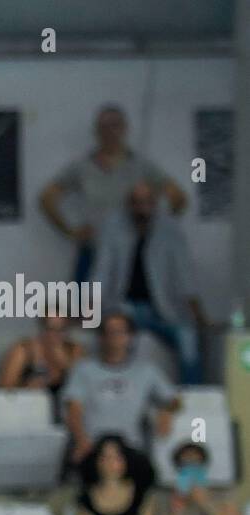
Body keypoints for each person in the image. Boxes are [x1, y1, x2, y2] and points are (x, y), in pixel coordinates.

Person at [40, 104, 187, 283]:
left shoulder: (141, 166)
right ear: (96, 131)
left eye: (115, 125)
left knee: (128, 310)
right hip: (94, 251)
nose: (109, 132)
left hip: (131, 257)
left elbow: (178, 198)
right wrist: (70, 231)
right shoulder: (82, 167)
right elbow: (46, 198)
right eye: (103, 127)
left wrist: (155, 231)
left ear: (125, 128)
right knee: (85, 308)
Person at [93, 180, 206, 384]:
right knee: (117, 338)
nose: (142, 207)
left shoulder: (170, 230)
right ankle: (120, 392)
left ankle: (192, 397)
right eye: (136, 202)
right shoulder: (113, 229)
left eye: (147, 202)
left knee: (189, 339)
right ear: (128, 205)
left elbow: (185, 276)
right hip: (125, 307)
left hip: (164, 309)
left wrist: (198, 315)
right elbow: (101, 272)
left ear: (155, 204)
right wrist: (91, 310)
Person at [61, 311, 180, 463]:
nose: (114, 337)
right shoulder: (83, 370)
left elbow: (174, 399)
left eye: (120, 332)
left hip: (132, 449)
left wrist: (166, 411)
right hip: (93, 447)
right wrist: (81, 440)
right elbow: (73, 408)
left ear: (130, 337)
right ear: (101, 337)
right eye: (109, 332)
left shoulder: (146, 371)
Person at [0, 310, 85, 402]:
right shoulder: (24, 350)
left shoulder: (73, 350)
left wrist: (65, 365)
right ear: (42, 329)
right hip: (30, 406)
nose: (55, 336)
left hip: (64, 410)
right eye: (51, 329)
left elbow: (87, 386)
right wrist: (25, 389)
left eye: (61, 330)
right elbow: (3, 389)